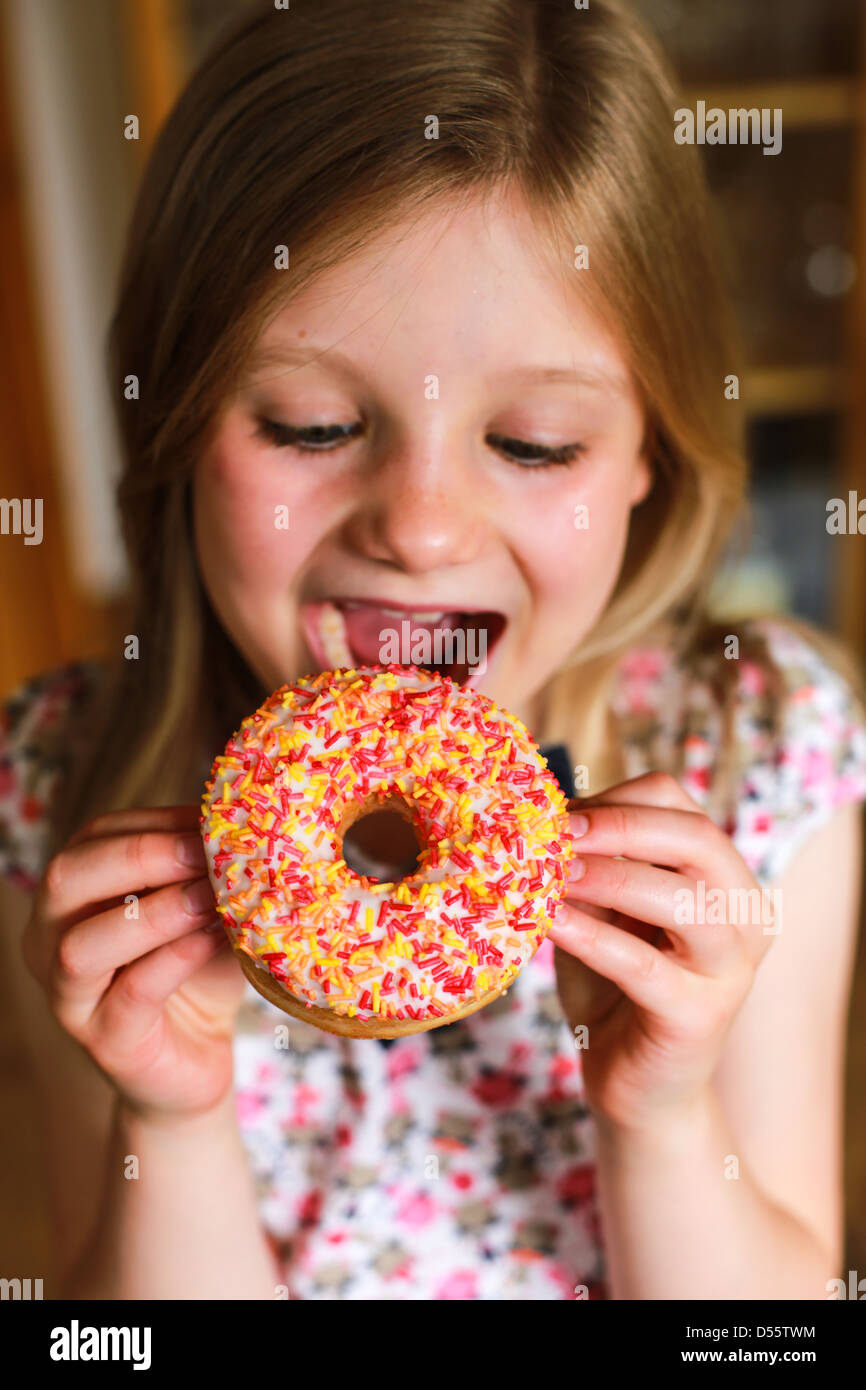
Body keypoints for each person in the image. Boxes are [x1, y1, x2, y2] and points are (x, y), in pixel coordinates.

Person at [1, 0, 865, 1300]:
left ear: (649, 456)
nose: (417, 525)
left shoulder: (755, 754)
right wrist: (167, 1125)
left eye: (531, 444)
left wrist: (664, 1116)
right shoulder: (62, 784)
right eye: (305, 423)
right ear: (177, 417)